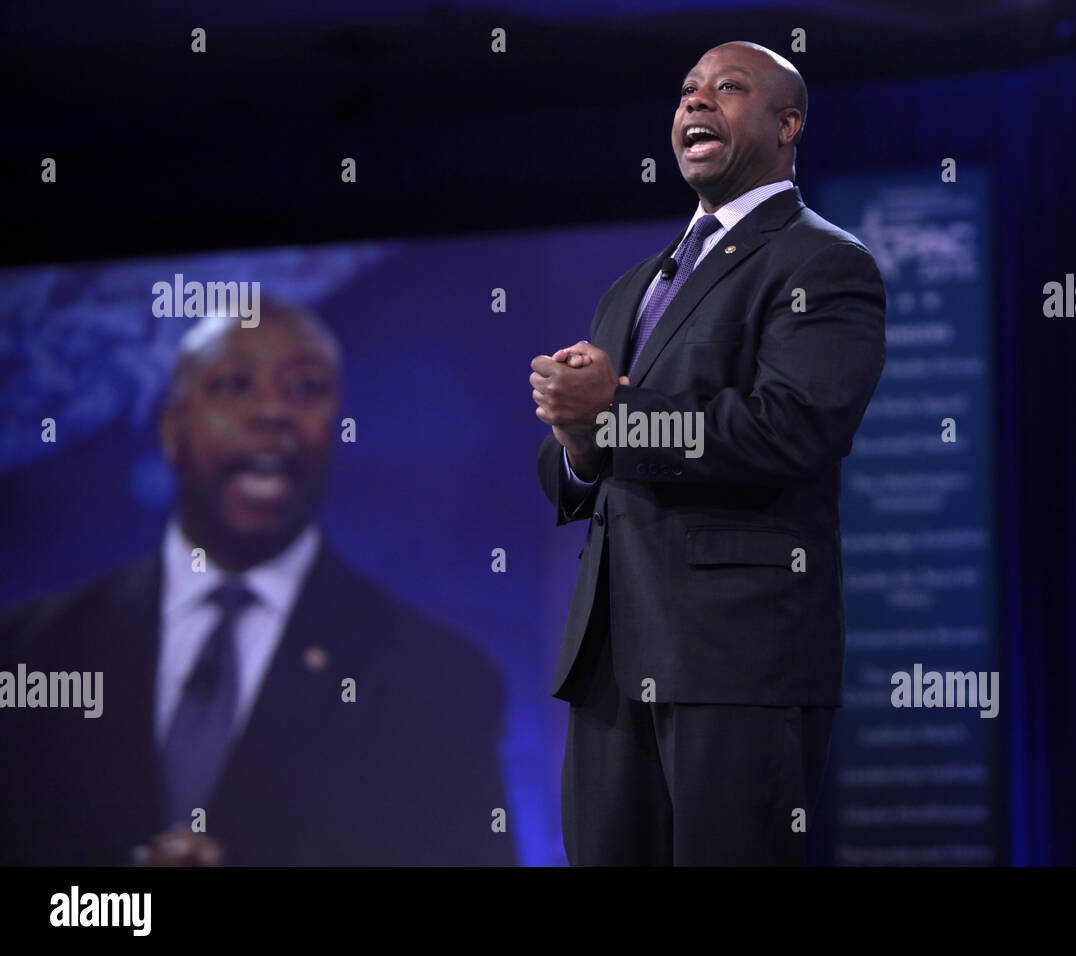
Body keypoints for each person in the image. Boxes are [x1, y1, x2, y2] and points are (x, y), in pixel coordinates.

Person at [531, 41, 887, 865]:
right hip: (611, 666)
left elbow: (793, 428)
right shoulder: (631, 289)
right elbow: (583, 474)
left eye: (729, 89)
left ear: (787, 124)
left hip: (736, 660)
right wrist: (580, 442)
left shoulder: (825, 262)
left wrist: (615, 412)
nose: (697, 103)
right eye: (688, 90)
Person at [0, 301, 514, 866]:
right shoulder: (28, 654)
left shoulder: (438, 681)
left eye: (307, 387)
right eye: (233, 383)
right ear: (171, 428)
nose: (274, 410)